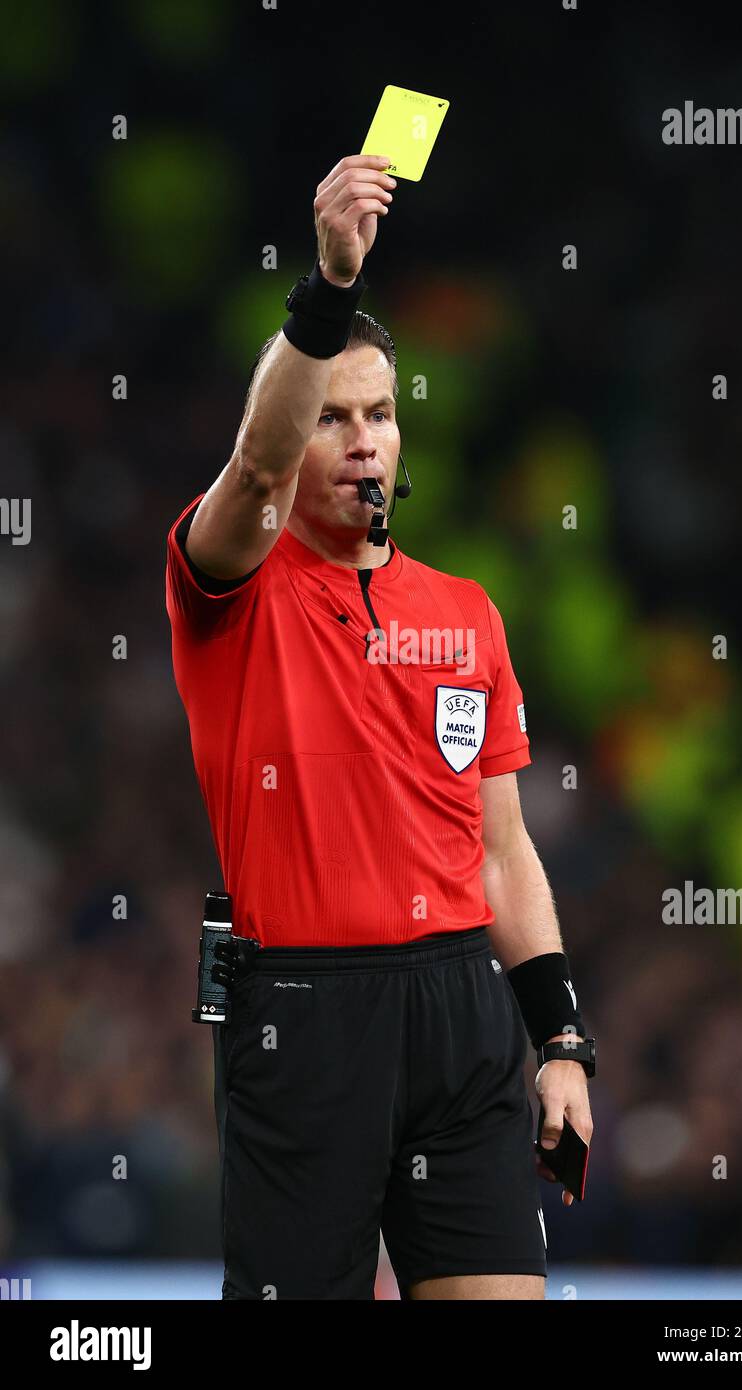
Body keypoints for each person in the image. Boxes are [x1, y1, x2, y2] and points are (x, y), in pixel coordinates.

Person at [165, 153, 594, 1300]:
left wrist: (557, 1041)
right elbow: (254, 470)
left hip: (461, 1010)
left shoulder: (465, 612)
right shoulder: (231, 589)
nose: (361, 440)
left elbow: (500, 850)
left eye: (380, 415)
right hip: (304, 1015)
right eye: (331, 418)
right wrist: (330, 281)